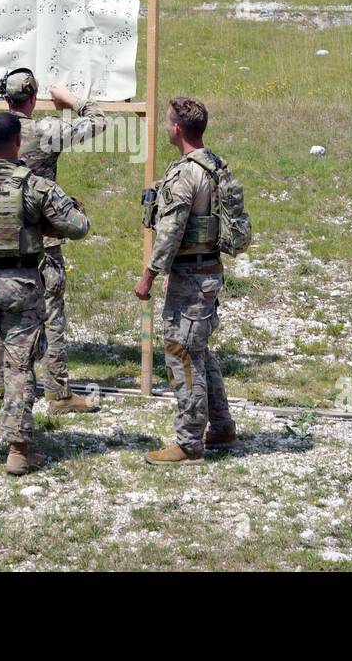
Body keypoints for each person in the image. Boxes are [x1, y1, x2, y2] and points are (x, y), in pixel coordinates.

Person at [0, 112, 91, 475]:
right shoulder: (34, 187)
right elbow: (78, 228)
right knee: (19, 369)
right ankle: (17, 453)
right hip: (22, 287)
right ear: (15, 143)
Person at [0, 68, 106, 414]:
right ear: (33, 97)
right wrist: (71, 99)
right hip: (42, 240)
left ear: (6, 98)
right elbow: (99, 121)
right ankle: (58, 392)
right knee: (52, 314)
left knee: (3, 313)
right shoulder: (47, 132)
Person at [134, 96, 239, 463]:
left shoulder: (184, 174)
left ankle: (189, 443)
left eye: (167, 122)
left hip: (192, 276)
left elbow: (171, 232)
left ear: (177, 128)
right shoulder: (214, 165)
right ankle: (223, 427)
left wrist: (148, 276)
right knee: (199, 351)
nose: (165, 127)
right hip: (206, 270)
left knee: (182, 354)